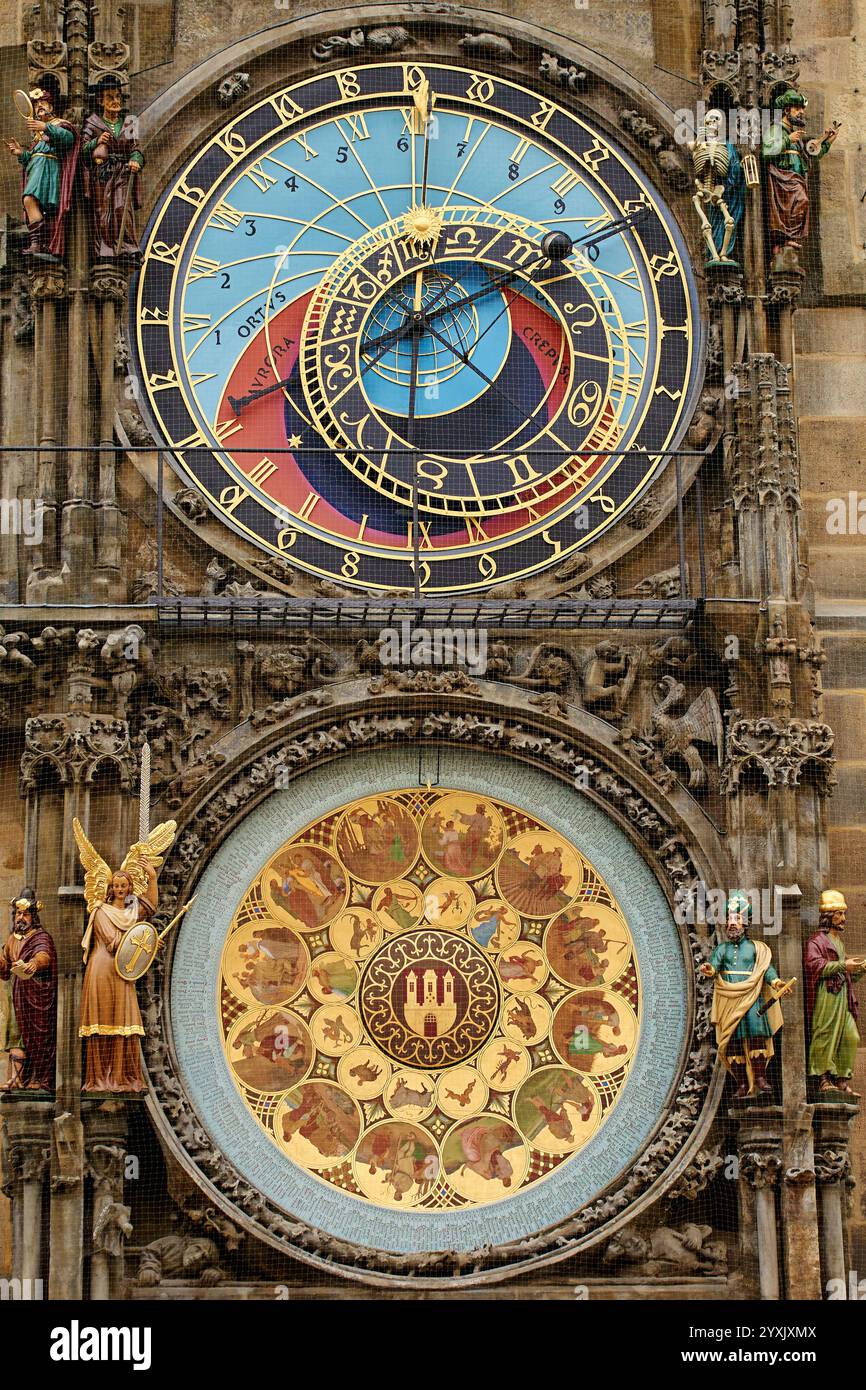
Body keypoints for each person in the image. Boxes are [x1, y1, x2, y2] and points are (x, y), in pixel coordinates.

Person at [700, 892, 788, 1098]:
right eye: (730, 920)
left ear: (745, 923)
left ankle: (759, 1077)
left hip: (753, 998)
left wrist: (776, 982)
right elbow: (714, 967)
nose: (733, 924)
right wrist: (709, 970)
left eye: (737, 920)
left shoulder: (757, 949)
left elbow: (766, 969)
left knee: (757, 1037)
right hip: (730, 999)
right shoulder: (722, 949)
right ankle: (741, 1082)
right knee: (733, 1041)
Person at [762, 89, 838, 266]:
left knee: (802, 203)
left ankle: (789, 239)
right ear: (787, 110)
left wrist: (826, 142)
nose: (801, 112)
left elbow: (810, 155)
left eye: (801, 108)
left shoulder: (796, 135)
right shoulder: (776, 130)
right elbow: (767, 152)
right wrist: (788, 139)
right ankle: (784, 240)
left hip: (796, 179)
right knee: (800, 201)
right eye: (797, 108)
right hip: (782, 180)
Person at [4, 86, 78, 261]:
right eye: (36, 106)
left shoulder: (59, 124)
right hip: (37, 168)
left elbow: (68, 139)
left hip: (49, 169)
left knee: (30, 199)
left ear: (52, 107)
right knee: (33, 203)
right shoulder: (36, 135)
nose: (39, 108)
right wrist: (20, 153)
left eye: (43, 104)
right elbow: (32, 156)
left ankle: (39, 243)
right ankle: (39, 243)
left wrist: (46, 127)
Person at [804, 890, 865, 1096]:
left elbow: (846, 974)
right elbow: (815, 965)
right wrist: (842, 965)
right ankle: (823, 1078)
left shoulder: (838, 942)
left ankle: (841, 1078)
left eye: (843, 913)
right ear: (829, 916)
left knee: (851, 1036)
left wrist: (860, 968)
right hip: (827, 996)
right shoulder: (816, 941)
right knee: (825, 1034)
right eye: (839, 914)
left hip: (842, 996)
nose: (844, 918)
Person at [82, 76, 144, 260]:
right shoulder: (92, 122)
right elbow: (82, 151)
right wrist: (96, 141)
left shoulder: (129, 122)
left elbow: (136, 149)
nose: (115, 101)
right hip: (102, 174)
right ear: (101, 101)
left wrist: (135, 160)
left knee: (121, 207)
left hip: (123, 173)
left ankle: (128, 246)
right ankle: (106, 249)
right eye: (110, 97)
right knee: (103, 211)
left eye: (118, 97)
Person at [0, 888, 56, 1090]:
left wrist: (34, 963)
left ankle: (40, 1078)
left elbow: (44, 955)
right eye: (17, 913)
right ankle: (16, 1080)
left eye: (25, 914)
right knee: (15, 1035)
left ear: (33, 916)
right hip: (17, 996)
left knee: (39, 1037)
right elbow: (5, 969)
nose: (20, 918)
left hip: (36, 997)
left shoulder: (40, 936)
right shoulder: (12, 939)